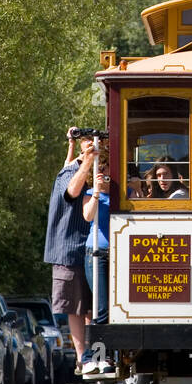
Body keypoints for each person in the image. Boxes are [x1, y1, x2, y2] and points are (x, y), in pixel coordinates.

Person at [43, 129, 113, 377]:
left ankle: (96, 355)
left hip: (88, 246)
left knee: (93, 307)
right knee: (76, 307)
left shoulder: (91, 171)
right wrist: (86, 160)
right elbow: (72, 190)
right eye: (87, 144)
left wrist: (74, 147)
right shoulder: (72, 172)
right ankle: (85, 359)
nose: (92, 148)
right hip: (68, 249)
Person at [82, 144, 111, 352]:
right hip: (96, 253)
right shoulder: (91, 193)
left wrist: (136, 189)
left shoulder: (124, 192)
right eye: (99, 168)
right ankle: (97, 356)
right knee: (100, 308)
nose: (103, 171)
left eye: (106, 167)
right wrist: (97, 193)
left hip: (120, 253)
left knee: (116, 309)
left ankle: (113, 353)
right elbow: (88, 216)